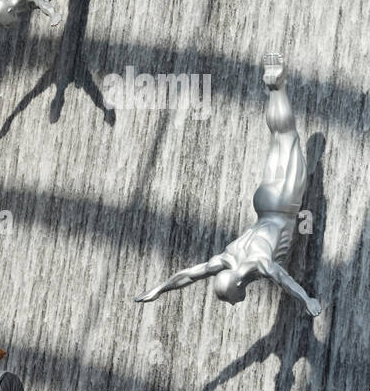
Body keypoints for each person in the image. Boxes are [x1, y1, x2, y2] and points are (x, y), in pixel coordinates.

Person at [135, 55, 321, 315]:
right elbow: (189, 275)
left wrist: (307, 300)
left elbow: (286, 282)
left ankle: (278, 87)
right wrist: (159, 289)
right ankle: (275, 91)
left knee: (286, 136)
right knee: (277, 139)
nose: (234, 302)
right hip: (264, 205)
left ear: (237, 284)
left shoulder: (259, 263)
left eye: (232, 297)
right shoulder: (225, 259)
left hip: (283, 205)